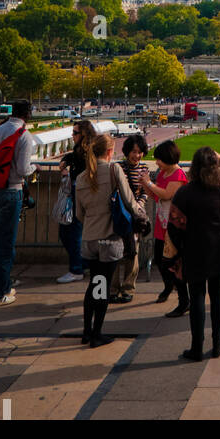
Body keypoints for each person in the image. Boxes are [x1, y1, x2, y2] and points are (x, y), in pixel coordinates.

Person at [167, 147, 220, 360]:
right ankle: (217, 344)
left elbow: (174, 226)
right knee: (218, 296)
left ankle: (197, 348)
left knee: (197, 297)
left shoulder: (185, 193)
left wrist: (179, 251)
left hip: (194, 250)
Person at [74, 133, 145, 347]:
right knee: (102, 286)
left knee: (95, 284)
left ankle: (87, 331)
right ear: (109, 151)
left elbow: (79, 214)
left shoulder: (82, 177)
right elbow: (130, 202)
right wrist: (143, 218)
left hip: (89, 238)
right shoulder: (114, 170)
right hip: (109, 238)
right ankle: (97, 333)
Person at [0, 101, 36, 308]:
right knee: (6, 245)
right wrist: (35, 167)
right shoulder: (24, 136)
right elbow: (23, 170)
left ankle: (0, 283)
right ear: (28, 114)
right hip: (12, 192)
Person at [142, 140, 190, 315]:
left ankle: (184, 300)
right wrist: (145, 184)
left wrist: (149, 183)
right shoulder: (162, 173)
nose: (156, 163)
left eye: (159, 159)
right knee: (160, 260)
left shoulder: (178, 175)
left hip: (174, 227)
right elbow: (157, 196)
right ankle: (169, 286)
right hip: (162, 224)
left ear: (168, 158)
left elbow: (167, 194)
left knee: (174, 263)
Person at [110, 133, 149, 304]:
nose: (137, 155)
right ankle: (113, 288)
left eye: (139, 152)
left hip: (134, 216)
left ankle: (128, 288)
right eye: (134, 151)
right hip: (120, 214)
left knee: (132, 252)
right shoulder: (118, 167)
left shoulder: (144, 169)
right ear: (127, 152)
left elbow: (145, 192)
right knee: (115, 252)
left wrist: (138, 206)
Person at [56, 119, 96, 284]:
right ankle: (82, 264)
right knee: (69, 232)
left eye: (75, 133)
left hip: (80, 196)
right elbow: (72, 157)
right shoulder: (81, 150)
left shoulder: (89, 152)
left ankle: (76, 269)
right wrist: (66, 160)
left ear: (83, 134)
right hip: (77, 194)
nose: (72, 135)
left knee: (72, 233)